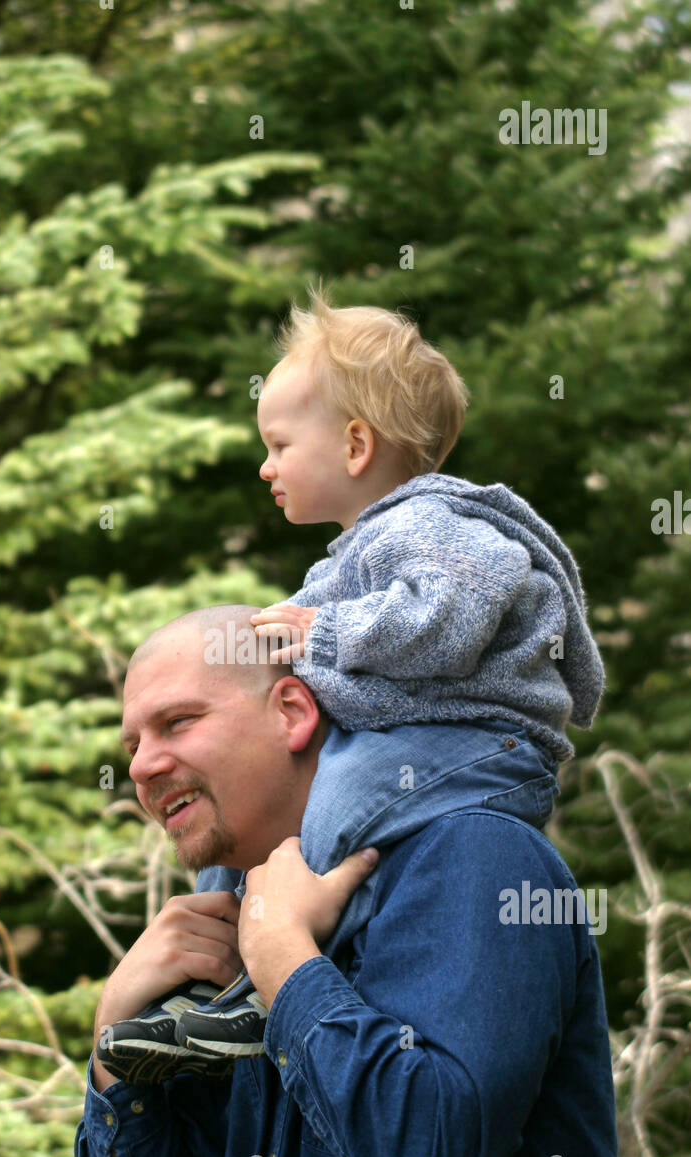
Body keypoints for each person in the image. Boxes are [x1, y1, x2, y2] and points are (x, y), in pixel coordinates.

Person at [99, 285, 604, 1076]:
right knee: (248, 844)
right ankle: (218, 990)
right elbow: (287, 641)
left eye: (277, 444)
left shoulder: (431, 523)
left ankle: (269, 983)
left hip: (475, 741)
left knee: (321, 824)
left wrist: (323, 634)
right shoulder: (353, 552)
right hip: (427, 734)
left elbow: (454, 613)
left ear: (357, 446)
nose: (264, 466)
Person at [74, 608, 633, 1157]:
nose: (140, 765)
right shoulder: (241, 927)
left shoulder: (478, 857)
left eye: (176, 723)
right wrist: (113, 1055)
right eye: (131, 745)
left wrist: (287, 967)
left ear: (291, 712)